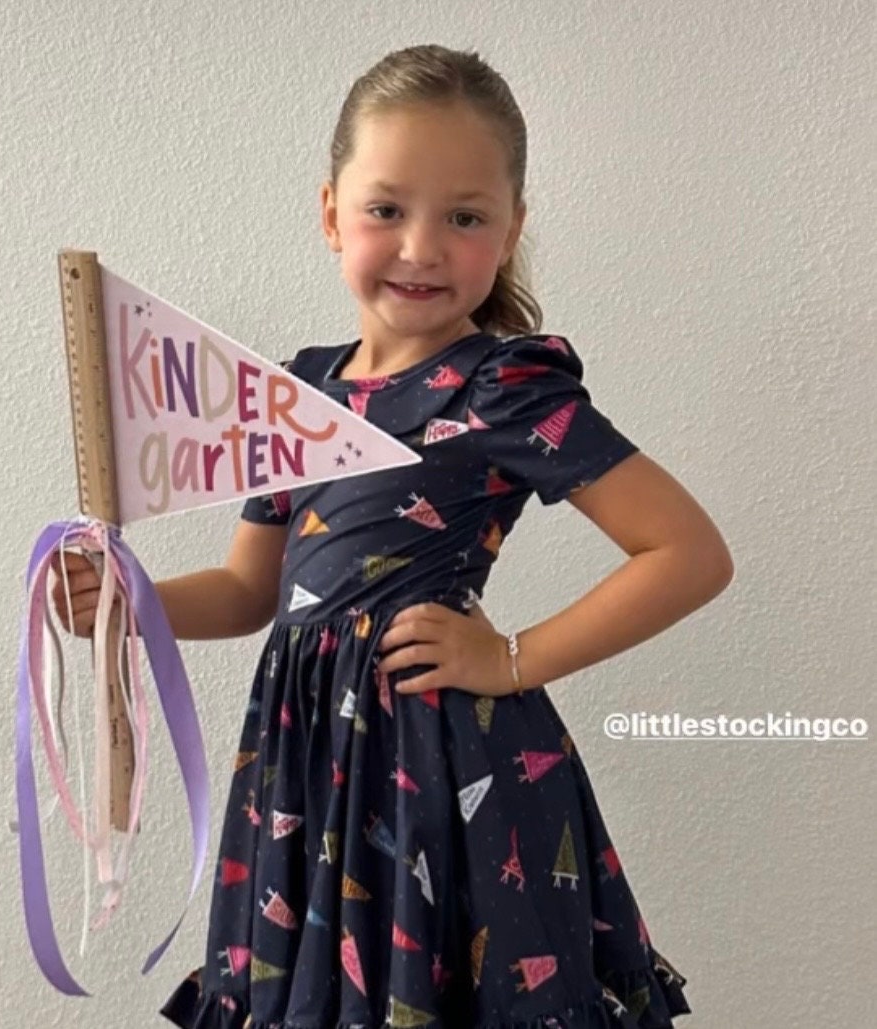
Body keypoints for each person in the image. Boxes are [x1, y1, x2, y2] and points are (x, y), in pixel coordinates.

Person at [52, 43, 731, 1028]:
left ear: (511, 229)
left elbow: (688, 555)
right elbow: (252, 593)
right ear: (331, 212)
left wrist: (510, 656)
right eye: (386, 209)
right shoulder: (298, 393)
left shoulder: (506, 386)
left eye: (464, 216)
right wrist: (129, 606)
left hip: (440, 764)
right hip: (304, 769)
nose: (420, 246)